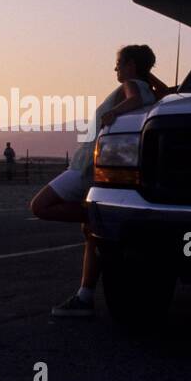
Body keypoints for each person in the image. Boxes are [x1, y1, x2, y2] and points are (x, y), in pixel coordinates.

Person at [29, 44, 171, 317]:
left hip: (85, 167)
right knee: (91, 237)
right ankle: (85, 296)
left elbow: (133, 97)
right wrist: (147, 74)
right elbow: (166, 94)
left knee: (40, 206)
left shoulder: (132, 84)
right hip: (100, 168)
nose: (115, 68)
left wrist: (114, 112)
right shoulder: (151, 91)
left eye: (119, 62)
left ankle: (98, 215)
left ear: (129, 64)